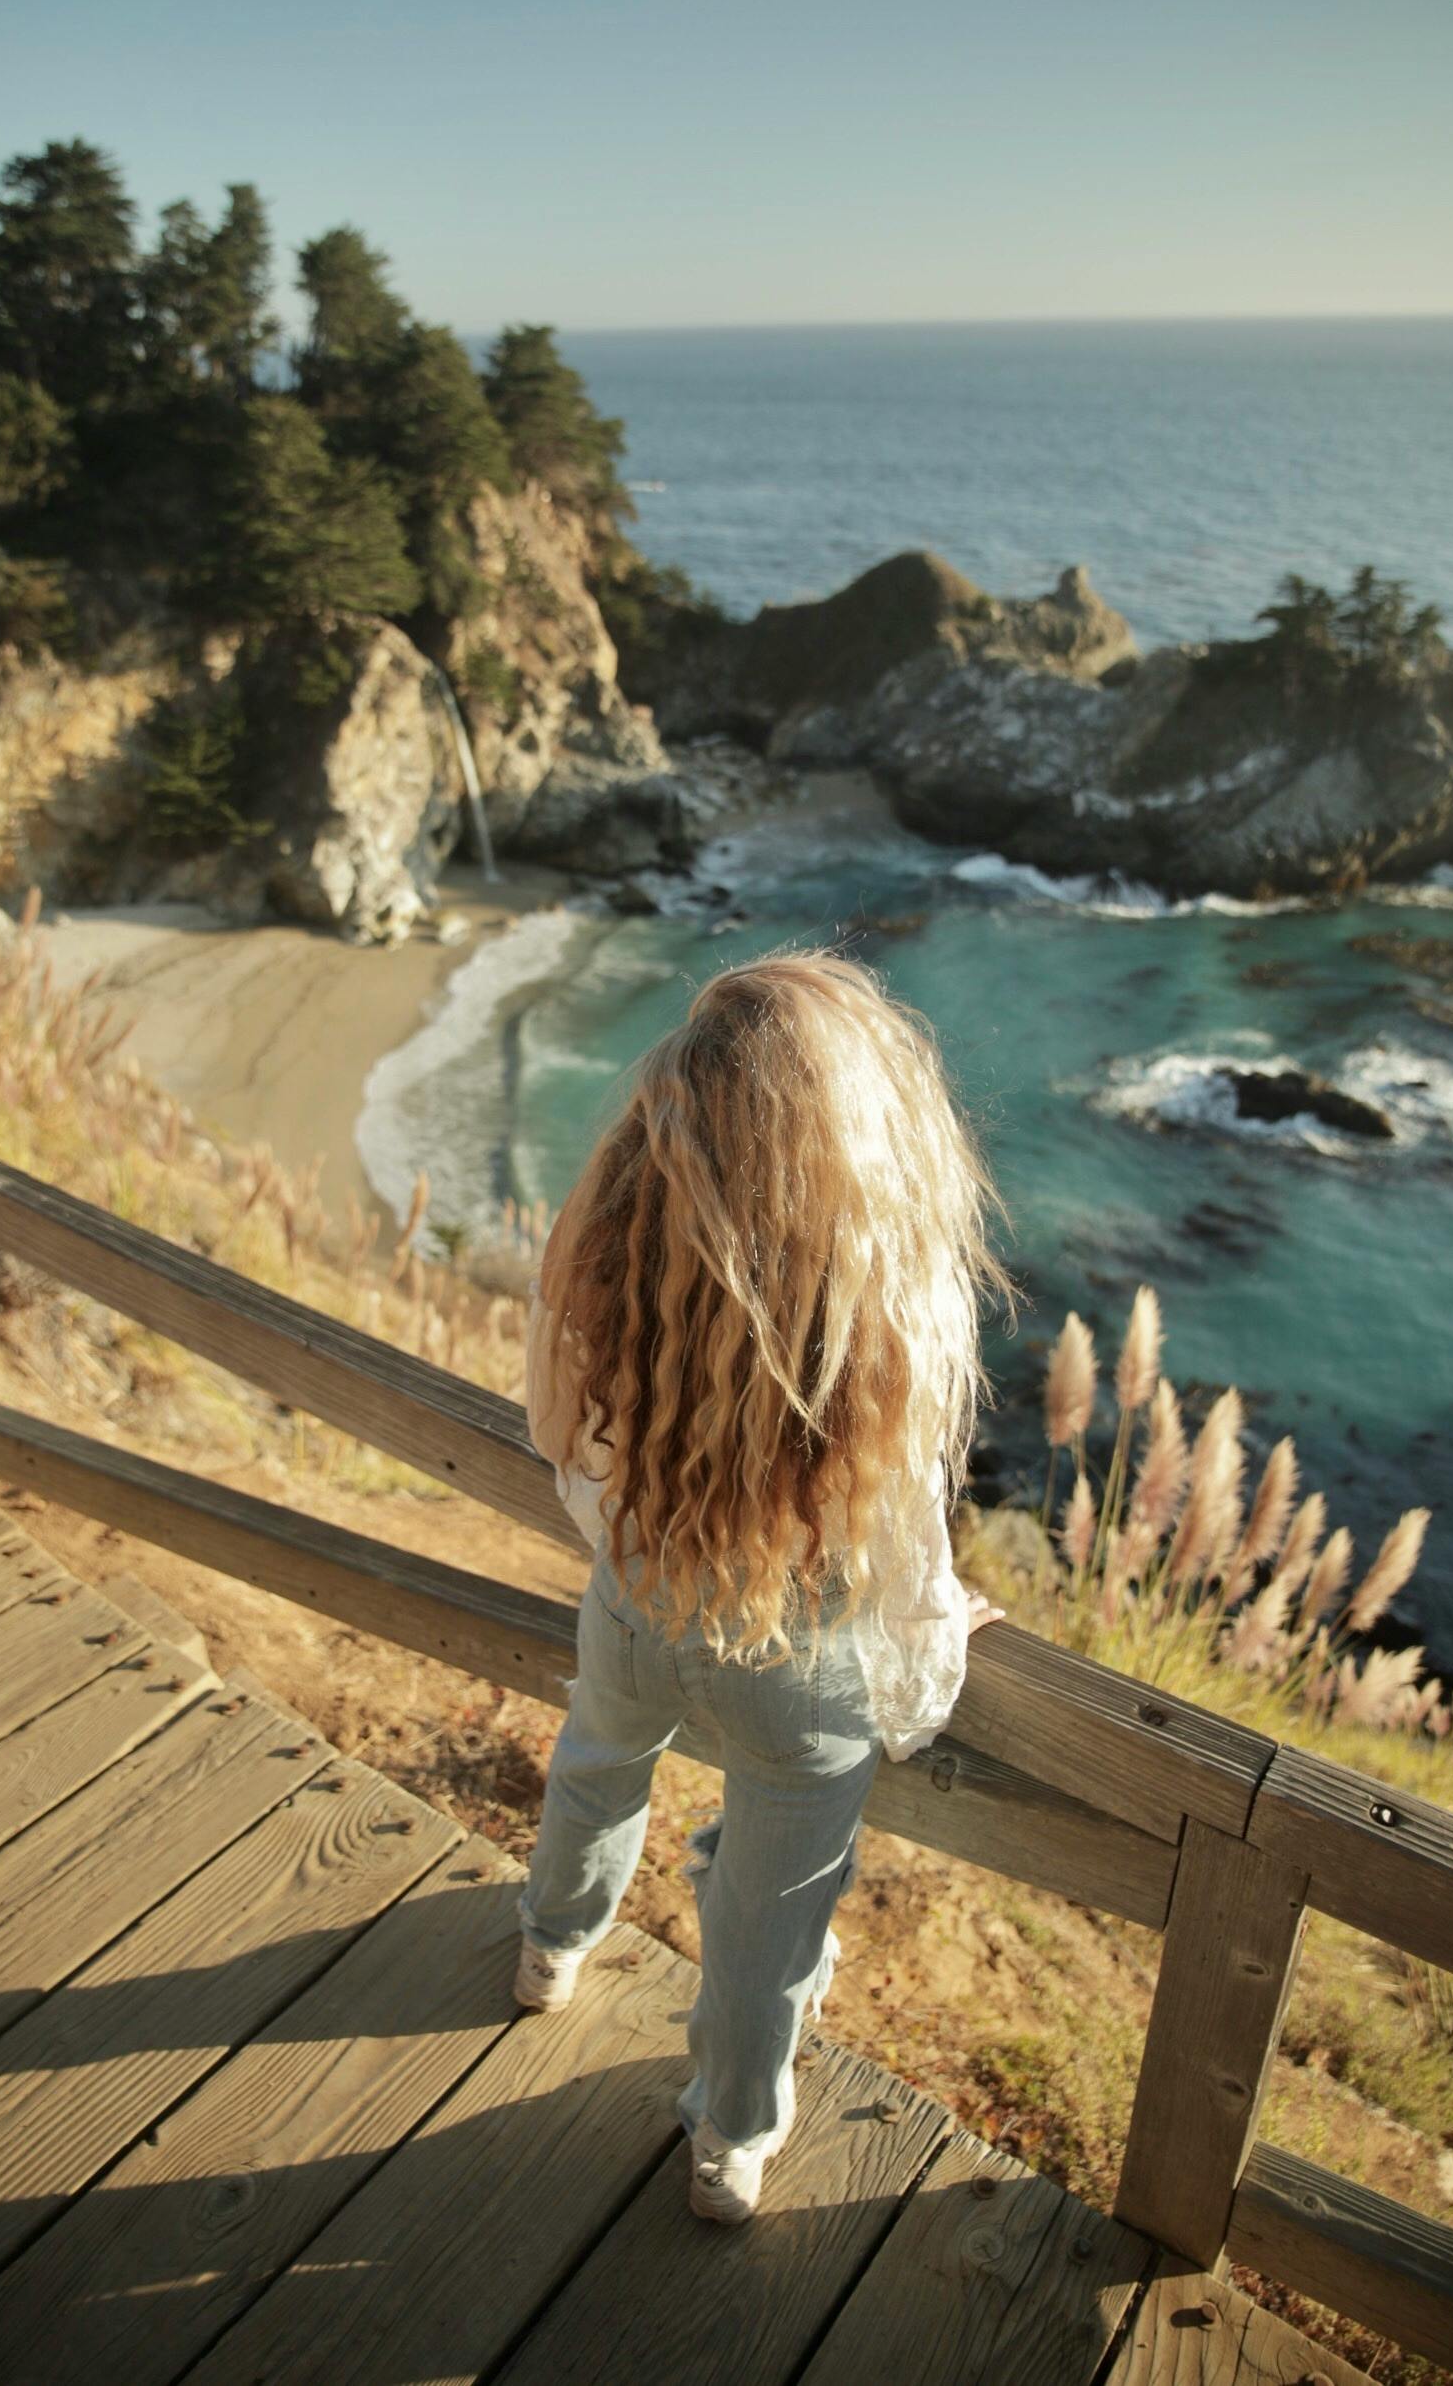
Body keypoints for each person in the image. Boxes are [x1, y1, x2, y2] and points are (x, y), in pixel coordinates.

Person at [516, 950, 1011, 2224]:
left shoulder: (612, 1239)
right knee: (765, 1923)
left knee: (595, 1762)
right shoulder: (888, 1298)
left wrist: (631, 1548)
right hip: (806, 1667)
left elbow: (563, 1436)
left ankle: (548, 1946)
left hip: (636, 1594)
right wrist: (930, 1660)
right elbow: (905, 1542)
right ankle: (728, 2141)